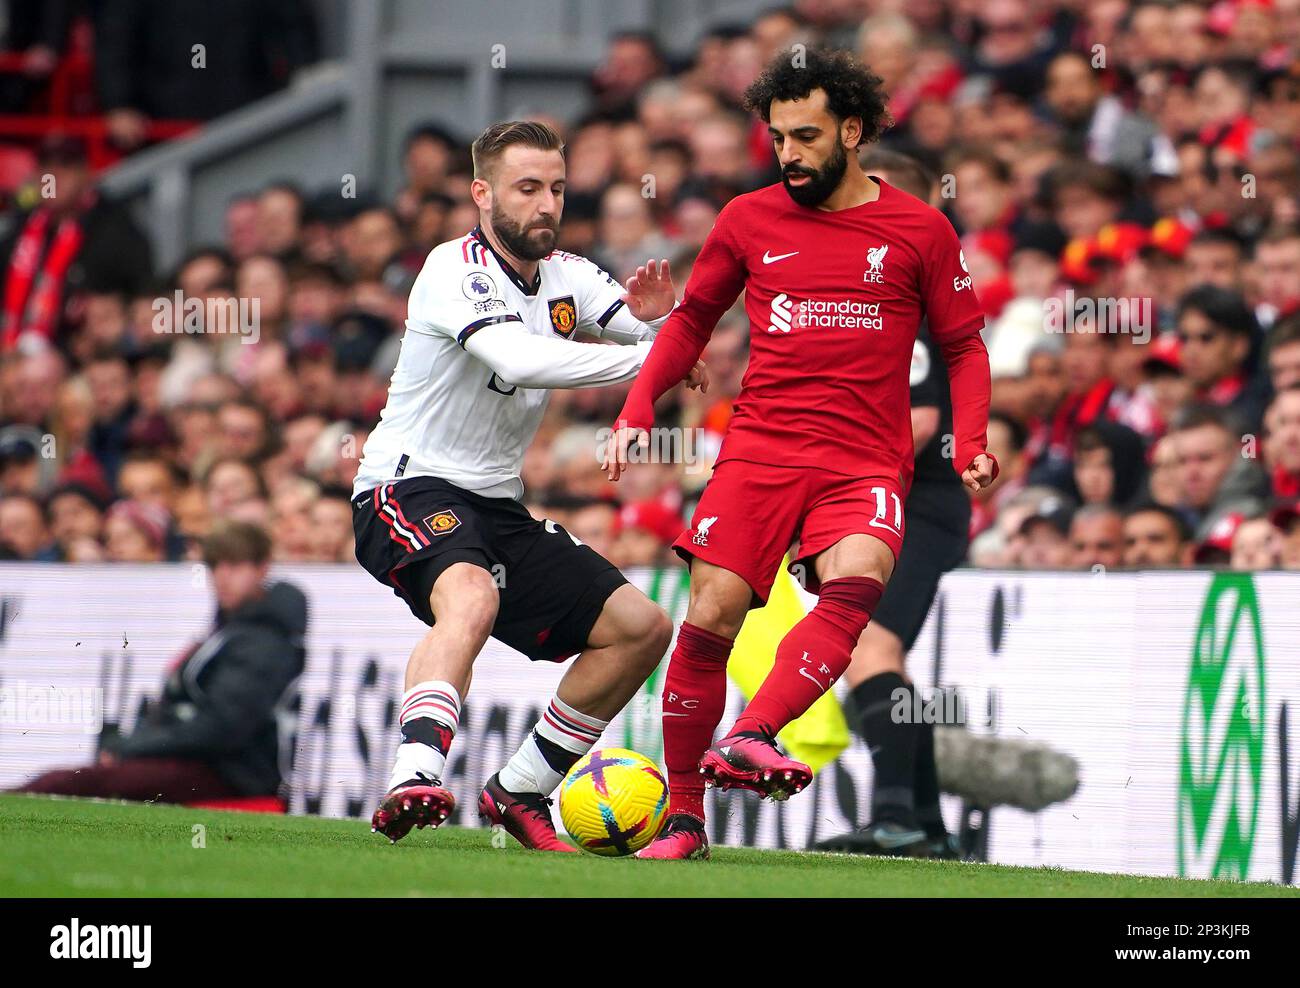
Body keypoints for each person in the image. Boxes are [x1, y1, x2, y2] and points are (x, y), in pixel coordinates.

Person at [604, 48, 997, 860]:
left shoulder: (921, 228)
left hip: (864, 460)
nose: (789, 153)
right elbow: (690, 320)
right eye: (778, 137)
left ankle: (751, 733)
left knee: (858, 582)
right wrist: (639, 404)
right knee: (710, 615)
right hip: (761, 450)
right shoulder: (747, 219)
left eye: (807, 136)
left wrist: (974, 443)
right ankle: (684, 820)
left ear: (853, 132)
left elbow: (964, 346)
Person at [352, 120, 698, 850]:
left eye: (559, 189)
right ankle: (414, 772)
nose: (547, 204)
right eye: (528, 188)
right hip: (407, 487)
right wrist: (655, 357)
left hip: (496, 504)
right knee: (470, 597)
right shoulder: (454, 269)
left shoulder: (570, 275)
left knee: (639, 629)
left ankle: (520, 789)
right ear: (482, 194)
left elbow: (646, 333)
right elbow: (519, 359)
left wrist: (664, 327)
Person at [813, 149, 972, 858]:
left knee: (870, 644)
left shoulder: (920, 297)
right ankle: (928, 827)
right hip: (874, 499)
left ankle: (898, 817)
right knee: (876, 652)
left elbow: (925, 418)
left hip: (916, 500)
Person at [11, 521, 306, 802]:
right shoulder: (230, 631)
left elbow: (222, 727)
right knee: (75, 780)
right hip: (199, 763)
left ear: (262, 568)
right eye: (215, 565)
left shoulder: (264, 640)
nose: (223, 576)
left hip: (230, 773)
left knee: (64, 783)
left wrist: (134, 747)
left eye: (235, 565)